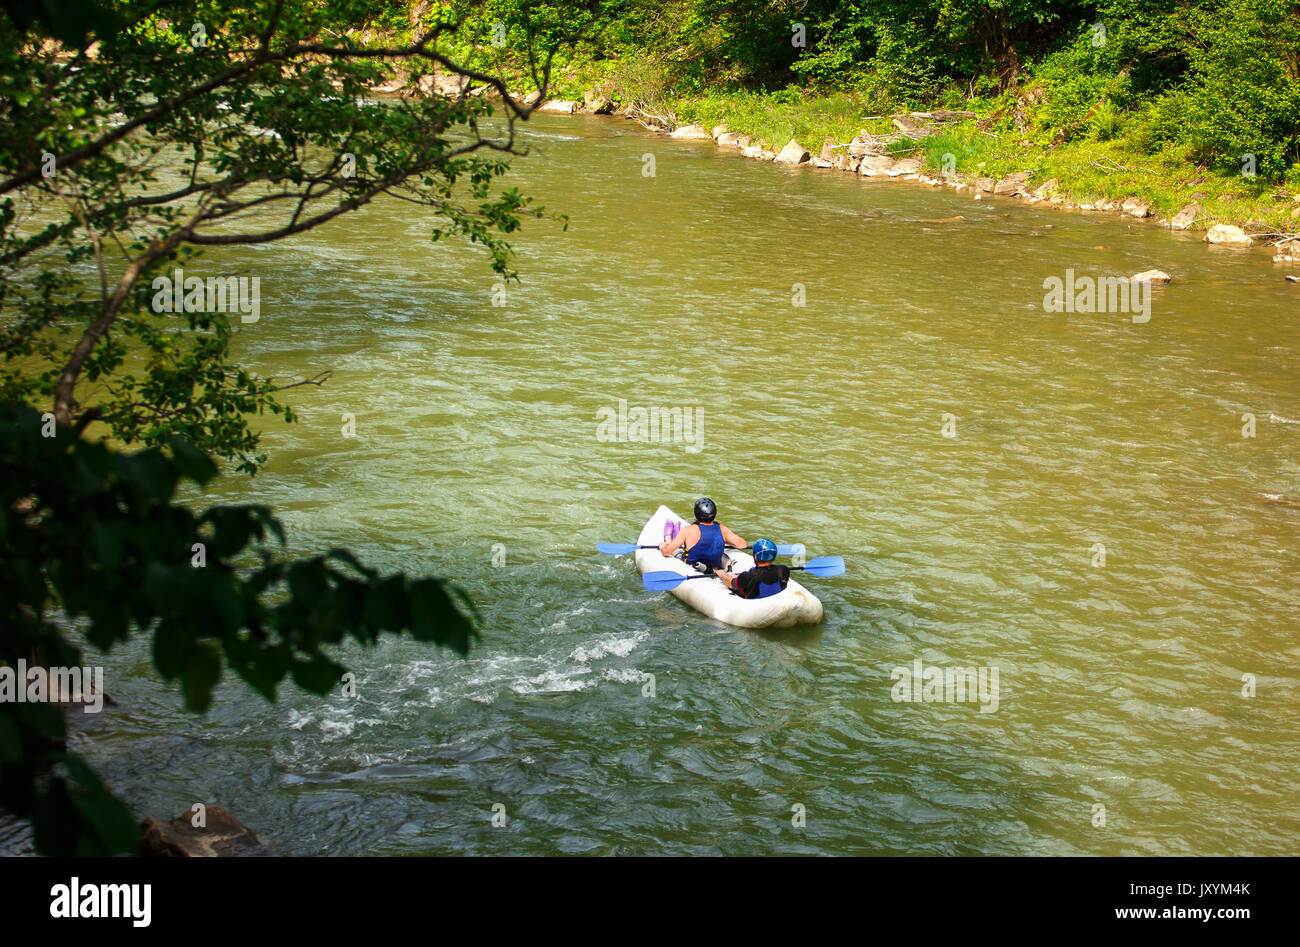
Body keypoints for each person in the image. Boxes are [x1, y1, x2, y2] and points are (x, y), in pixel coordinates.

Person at [659, 497, 746, 573]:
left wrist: (662, 546)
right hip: (714, 568)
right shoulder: (722, 529)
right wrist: (724, 539)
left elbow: (666, 552)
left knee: (677, 550)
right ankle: (674, 532)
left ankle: (668, 539)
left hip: (692, 568)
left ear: (696, 513)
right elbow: (743, 544)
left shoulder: (689, 530)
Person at [715, 538, 790, 599]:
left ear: (756, 556)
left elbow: (731, 583)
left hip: (755, 604)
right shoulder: (784, 570)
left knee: (733, 581)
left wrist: (722, 575)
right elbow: (767, 575)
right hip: (775, 599)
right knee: (739, 578)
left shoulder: (750, 575)